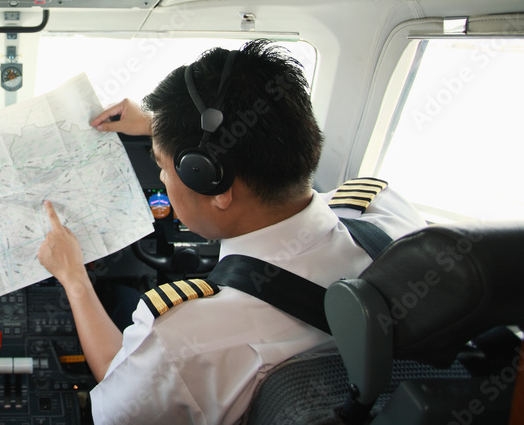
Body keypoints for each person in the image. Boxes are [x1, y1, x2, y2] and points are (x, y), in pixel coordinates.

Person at [37, 40, 426, 424]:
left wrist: (73, 277)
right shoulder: (385, 211)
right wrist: (165, 128)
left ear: (215, 187)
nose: (160, 176)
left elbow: (115, 389)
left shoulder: (181, 341)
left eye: (162, 166)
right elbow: (257, 135)